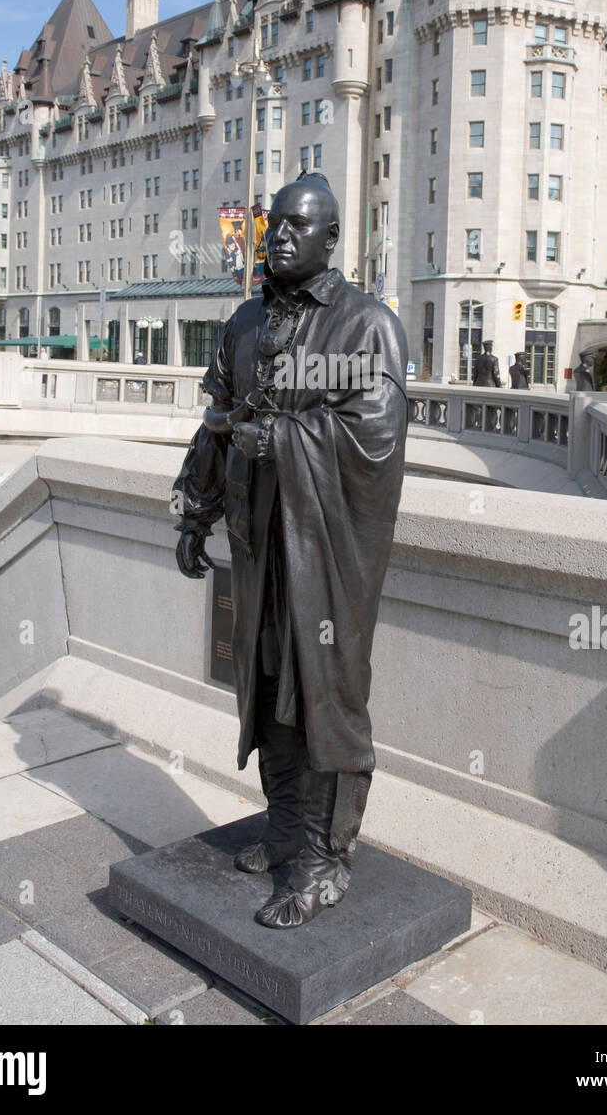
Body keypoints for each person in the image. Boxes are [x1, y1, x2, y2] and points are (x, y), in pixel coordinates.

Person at [173, 172, 408, 929]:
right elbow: (216, 421)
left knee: (323, 697)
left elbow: (377, 436)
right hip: (258, 541)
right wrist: (193, 509)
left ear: (331, 238)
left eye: (296, 227)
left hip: (328, 556)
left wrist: (282, 438)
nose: (278, 237)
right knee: (265, 685)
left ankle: (323, 859)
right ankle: (283, 832)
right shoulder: (245, 322)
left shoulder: (366, 325)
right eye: (274, 224)